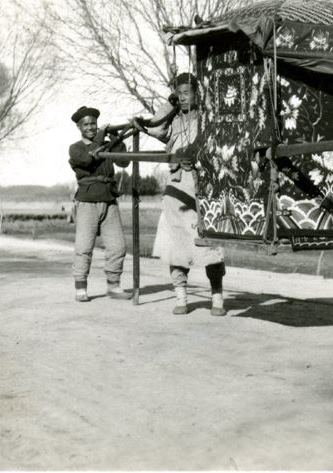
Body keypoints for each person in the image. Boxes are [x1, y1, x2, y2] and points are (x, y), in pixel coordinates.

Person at [136, 73, 226, 316]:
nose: (183, 98)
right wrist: (170, 103)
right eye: (180, 93)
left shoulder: (210, 117)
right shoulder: (173, 119)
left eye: (187, 92)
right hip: (177, 188)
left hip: (204, 186)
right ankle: (181, 297)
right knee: (176, 246)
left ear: (198, 93)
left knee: (210, 244)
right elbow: (155, 130)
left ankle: (217, 299)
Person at [68, 106, 132, 303]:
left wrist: (115, 138)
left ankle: (113, 285)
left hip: (109, 200)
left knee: (118, 246)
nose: (90, 127)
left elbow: (124, 162)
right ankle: (81, 287)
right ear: (79, 127)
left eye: (93, 124)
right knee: (84, 247)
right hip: (87, 201)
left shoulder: (104, 144)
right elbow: (89, 158)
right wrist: (102, 138)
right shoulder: (76, 148)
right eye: (86, 124)